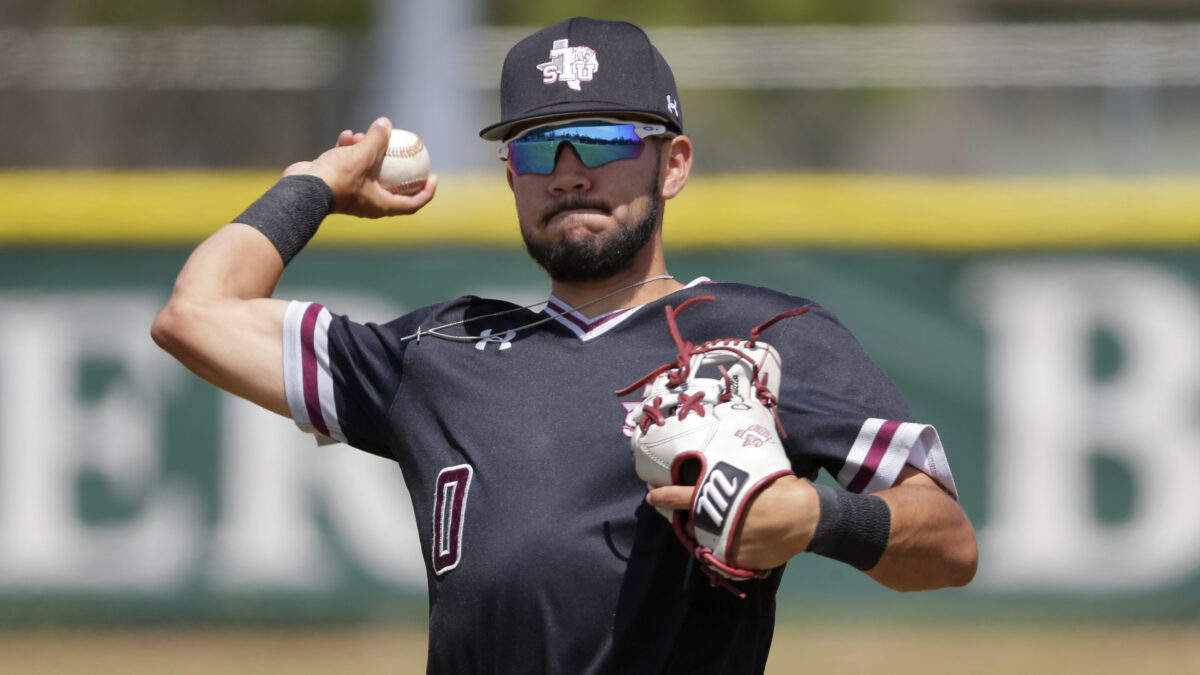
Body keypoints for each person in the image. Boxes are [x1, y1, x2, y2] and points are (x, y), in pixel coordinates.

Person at [152, 16, 977, 675]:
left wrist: (819, 517)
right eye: (540, 146)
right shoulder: (438, 350)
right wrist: (314, 185)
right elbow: (196, 315)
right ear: (512, 175)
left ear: (673, 164)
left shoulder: (764, 333)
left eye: (607, 140)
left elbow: (947, 543)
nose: (571, 171)